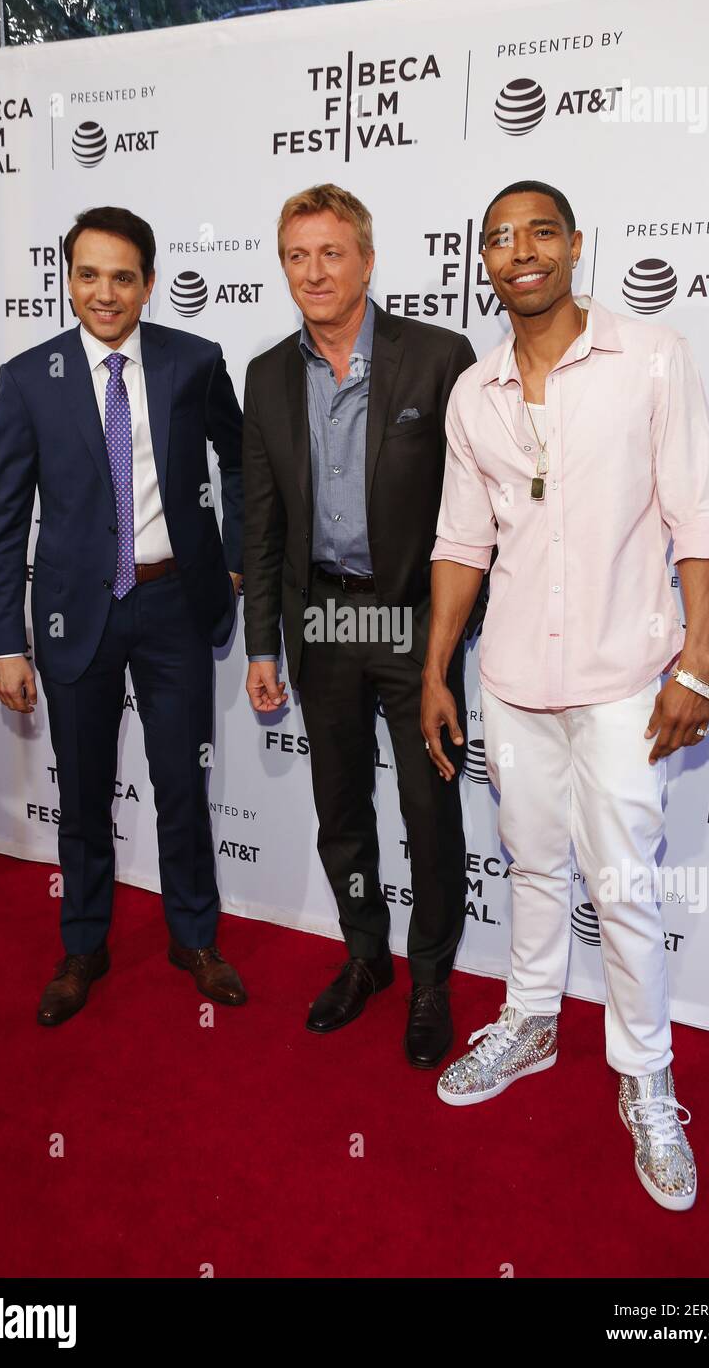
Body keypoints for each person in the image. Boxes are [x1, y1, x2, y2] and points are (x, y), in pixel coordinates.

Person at [421, 180, 709, 1209]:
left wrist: (695, 662)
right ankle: (532, 1021)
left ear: (574, 246)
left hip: (619, 680)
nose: (520, 252)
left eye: (538, 232)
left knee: (626, 887)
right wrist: (435, 665)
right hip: (510, 680)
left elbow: (696, 516)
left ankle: (644, 1077)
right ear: (485, 263)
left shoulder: (650, 356)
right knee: (532, 862)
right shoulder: (476, 392)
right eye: (499, 239)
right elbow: (463, 542)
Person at [0, 205, 246, 1026]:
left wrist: (233, 560)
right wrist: (3, 644)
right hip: (73, 614)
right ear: (68, 280)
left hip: (171, 604)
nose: (105, 292)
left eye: (122, 276)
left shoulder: (194, 362)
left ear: (149, 284)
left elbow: (240, 464)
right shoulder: (29, 378)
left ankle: (193, 936)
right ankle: (85, 944)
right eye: (88, 274)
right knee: (85, 792)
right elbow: (2, 520)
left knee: (182, 786)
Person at [242, 183, 479, 1067]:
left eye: (331, 253)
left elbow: (478, 506)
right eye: (298, 256)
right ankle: (365, 957)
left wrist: (455, 632)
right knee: (341, 813)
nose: (315, 272)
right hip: (321, 621)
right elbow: (261, 523)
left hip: (415, 622)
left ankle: (429, 980)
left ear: (368, 261)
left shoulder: (438, 357)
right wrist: (262, 641)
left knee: (429, 812)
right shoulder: (267, 376)